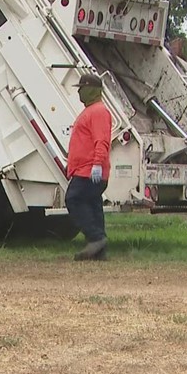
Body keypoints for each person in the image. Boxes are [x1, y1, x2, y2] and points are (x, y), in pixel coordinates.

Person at [66, 73, 113, 261]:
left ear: (91, 89)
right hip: (85, 169)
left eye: (82, 87)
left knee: (74, 199)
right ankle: (99, 252)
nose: (79, 91)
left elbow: (101, 141)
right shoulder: (92, 111)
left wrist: (96, 164)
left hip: (89, 170)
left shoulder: (98, 112)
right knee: (93, 205)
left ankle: (96, 238)